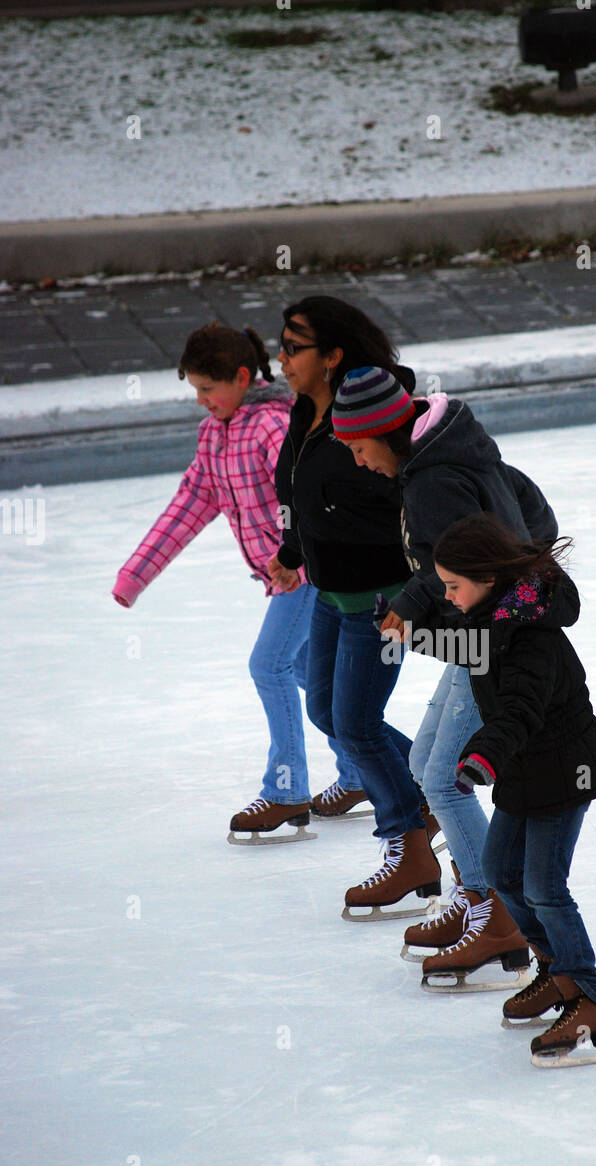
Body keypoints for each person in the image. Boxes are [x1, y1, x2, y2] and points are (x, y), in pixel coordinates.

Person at [330, 366, 556, 965]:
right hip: (482, 635)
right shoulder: (458, 451)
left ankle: (498, 916)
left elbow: (463, 556)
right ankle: (479, 894)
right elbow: (528, 506)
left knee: (442, 780)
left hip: (490, 643)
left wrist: (413, 602)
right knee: (423, 762)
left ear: (384, 431)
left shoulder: (434, 480)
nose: (357, 462)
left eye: (357, 447)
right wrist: (531, 565)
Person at [112, 321, 358, 842]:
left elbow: (310, 497)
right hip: (287, 576)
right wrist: (136, 574)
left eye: (207, 388)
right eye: (195, 390)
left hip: (307, 572)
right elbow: (188, 507)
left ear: (242, 377)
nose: (201, 400)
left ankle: (288, 791)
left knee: (270, 664)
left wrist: (299, 556)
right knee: (310, 674)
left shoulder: (272, 427)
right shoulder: (215, 437)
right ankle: (363, 770)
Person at [425, 513, 596, 1065]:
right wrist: (407, 629)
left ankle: (588, 998)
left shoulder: (529, 635)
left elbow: (520, 709)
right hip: (523, 772)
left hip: (561, 772)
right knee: (502, 872)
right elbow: (458, 638)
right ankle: (557, 973)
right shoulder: (491, 616)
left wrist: (483, 756)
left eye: (453, 585)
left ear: (487, 578)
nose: (447, 595)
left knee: (543, 886)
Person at [268, 300, 441, 915]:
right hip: (330, 591)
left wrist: (412, 592)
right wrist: (292, 551)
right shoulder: (305, 411)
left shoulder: (368, 414)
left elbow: (404, 501)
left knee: (357, 723)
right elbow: (299, 491)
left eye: (294, 347)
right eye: (281, 346)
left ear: (333, 355)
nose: (281, 359)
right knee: (326, 709)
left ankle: (409, 846)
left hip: (383, 598)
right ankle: (423, 794)